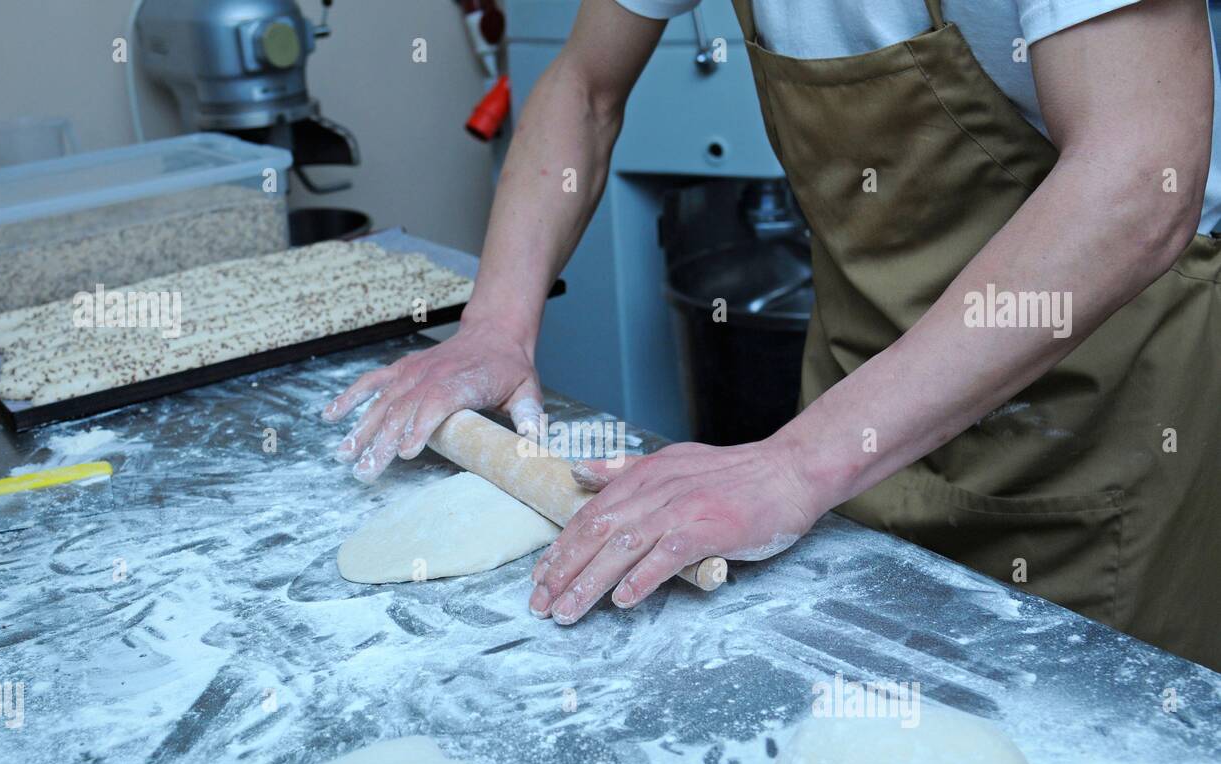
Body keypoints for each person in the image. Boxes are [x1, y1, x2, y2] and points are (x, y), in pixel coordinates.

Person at [324, 0, 1220, 670]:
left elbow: (1142, 176)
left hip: (1097, 419)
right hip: (858, 403)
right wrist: (496, 323)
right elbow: (585, 85)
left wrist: (794, 466)